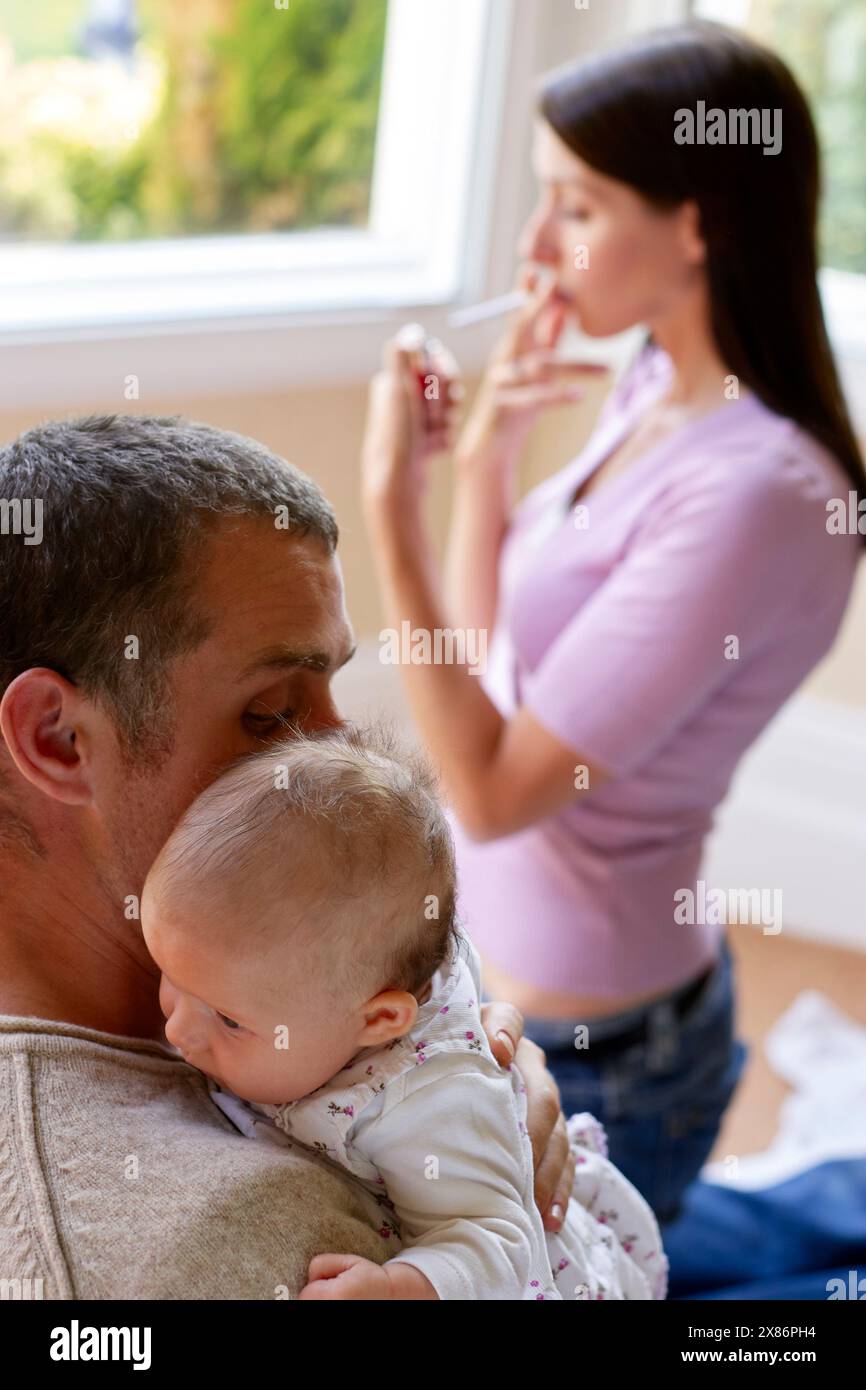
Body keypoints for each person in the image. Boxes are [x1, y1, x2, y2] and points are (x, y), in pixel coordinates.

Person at [359, 20, 864, 1224]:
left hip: (600, 1052)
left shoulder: (754, 493)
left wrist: (388, 502)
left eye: (575, 207)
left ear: (694, 221)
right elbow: (500, 673)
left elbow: (488, 787)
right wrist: (479, 465)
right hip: (494, 982)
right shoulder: (656, 385)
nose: (536, 246)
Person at [0, 415, 576, 1299]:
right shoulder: (228, 1243)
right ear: (59, 738)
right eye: (270, 711)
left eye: (334, 686)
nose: (341, 749)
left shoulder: (260, 906)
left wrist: (477, 1073)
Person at [139, 724, 669, 1301]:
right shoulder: (336, 972)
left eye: (228, 1019)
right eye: (170, 976)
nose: (177, 1029)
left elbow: (500, 1243)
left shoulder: (428, 1102)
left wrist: (400, 1287)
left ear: (378, 1020)